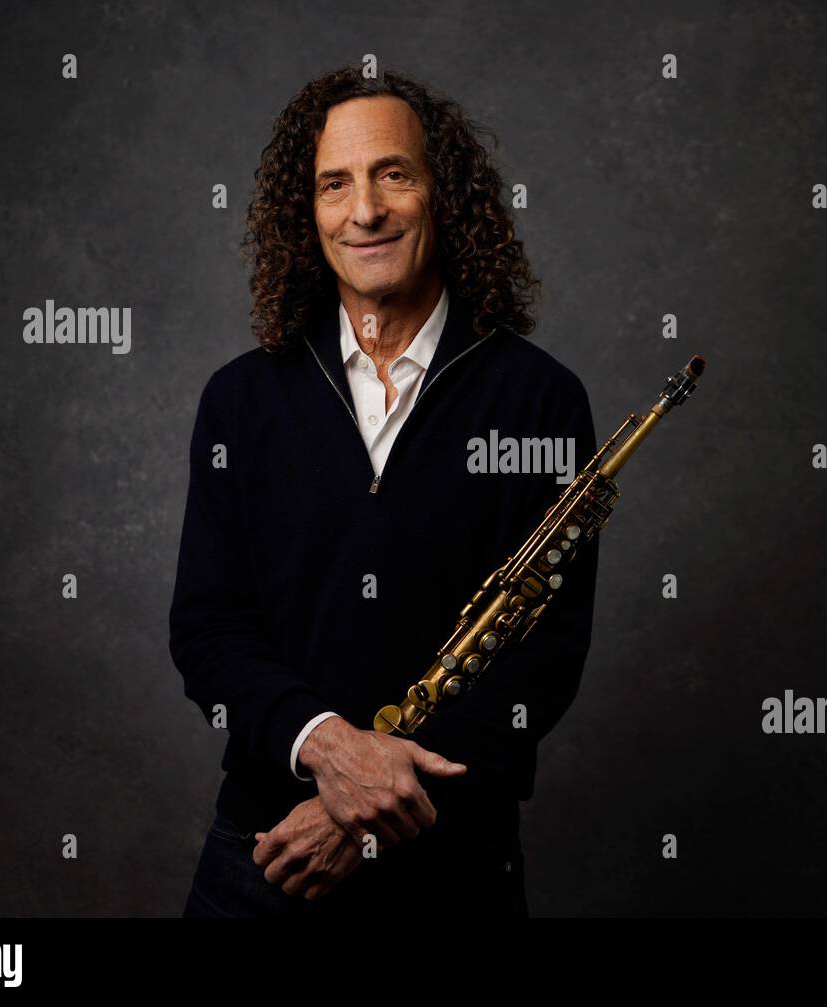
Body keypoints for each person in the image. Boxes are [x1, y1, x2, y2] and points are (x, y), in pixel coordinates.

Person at [169, 65, 600, 918]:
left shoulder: (540, 400)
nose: (364, 210)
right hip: (269, 856)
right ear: (310, 214)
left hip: (455, 868)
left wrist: (359, 809)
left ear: (446, 194)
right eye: (335, 184)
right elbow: (207, 628)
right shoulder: (240, 400)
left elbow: (541, 663)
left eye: (391, 174)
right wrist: (326, 749)